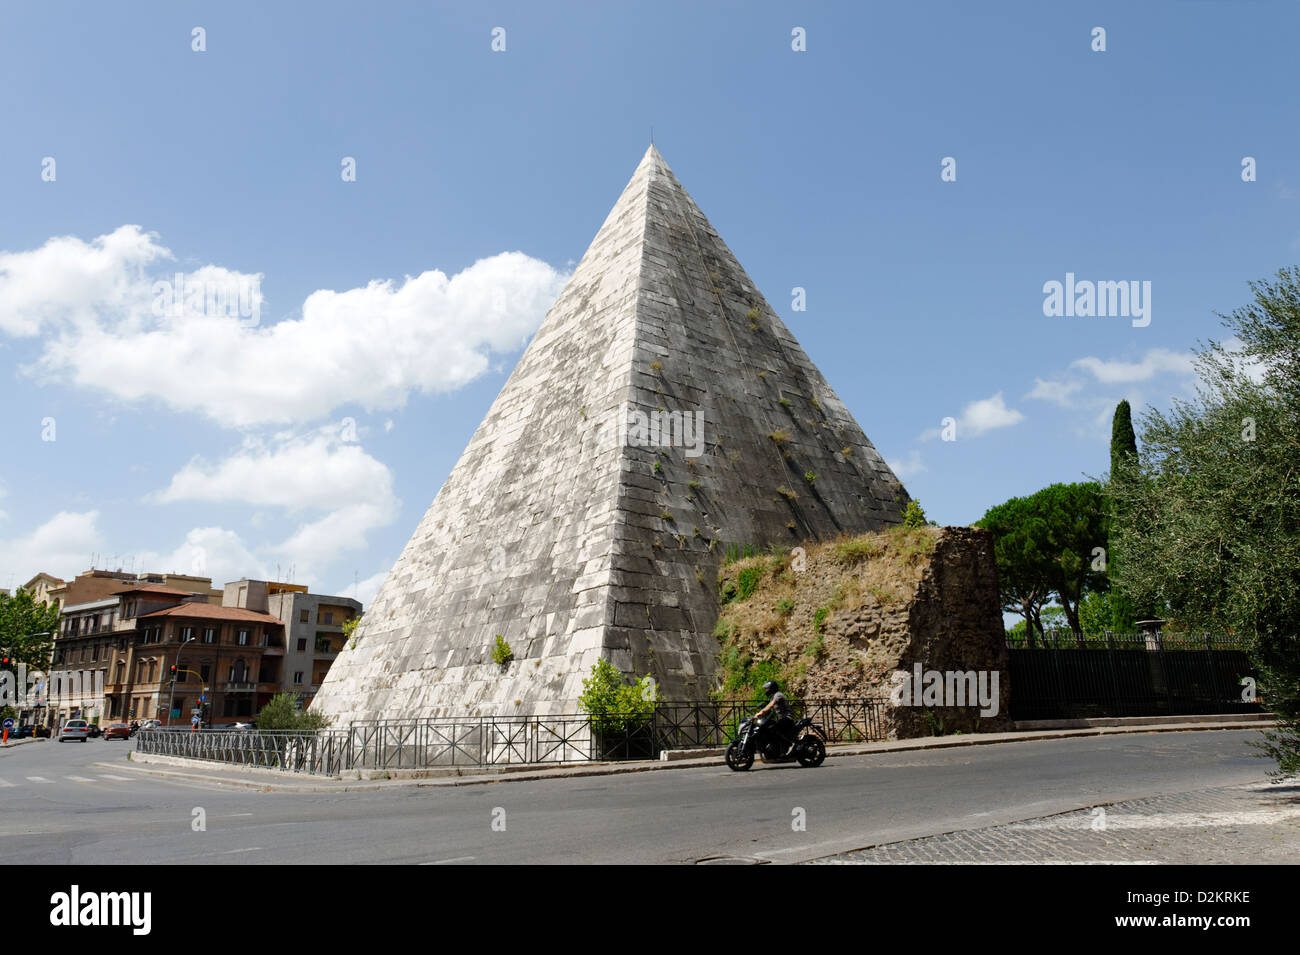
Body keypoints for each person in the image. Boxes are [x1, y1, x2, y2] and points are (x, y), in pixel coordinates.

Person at [755, 680, 795, 745]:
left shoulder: (778, 695)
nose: (766, 691)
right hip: (781, 719)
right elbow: (771, 709)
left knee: (773, 729)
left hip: (787, 718)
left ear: (772, 688)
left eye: (767, 689)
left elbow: (771, 705)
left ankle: (789, 744)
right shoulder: (773, 697)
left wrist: (761, 712)